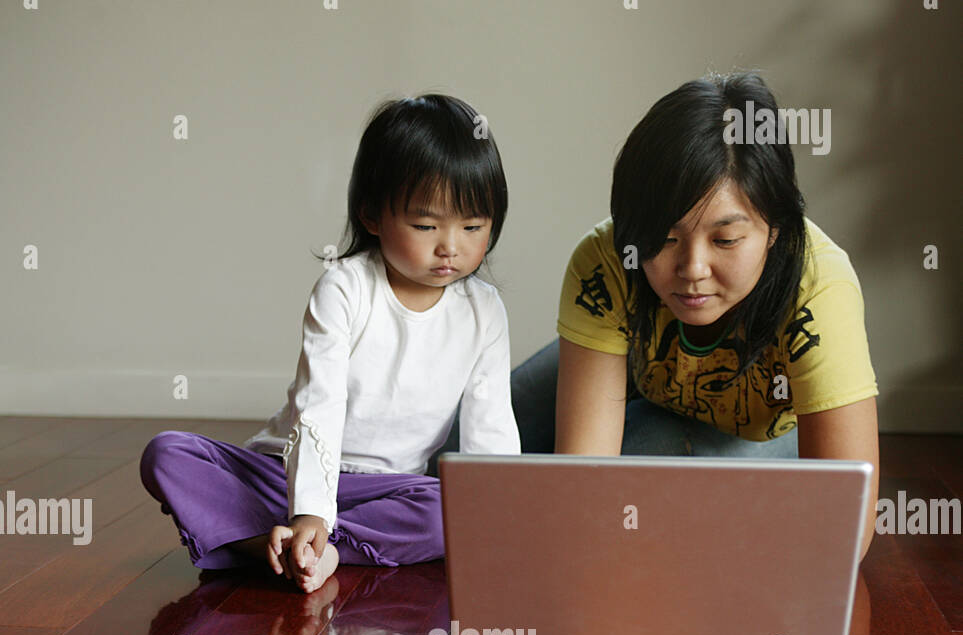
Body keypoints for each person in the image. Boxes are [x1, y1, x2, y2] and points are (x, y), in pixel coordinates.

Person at [140, 93, 519, 592]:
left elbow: (490, 428)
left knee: (448, 508)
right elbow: (319, 402)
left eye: (473, 226)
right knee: (168, 454)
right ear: (371, 216)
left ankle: (310, 551)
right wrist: (311, 511)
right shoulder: (345, 287)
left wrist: (498, 518)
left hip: (385, 490)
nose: (450, 245)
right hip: (282, 472)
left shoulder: (483, 310)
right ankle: (292, 543)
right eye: (426, 225)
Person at [509, 71, 880, 558]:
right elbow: (585, 475)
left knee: (650, 445)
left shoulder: (819, 286)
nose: (692, 270)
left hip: (756, 431)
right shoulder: (607, 259)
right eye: (663, 238)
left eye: (725, 240)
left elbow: (846, 527)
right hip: (638, 368)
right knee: (462, 448)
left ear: (775, 228)